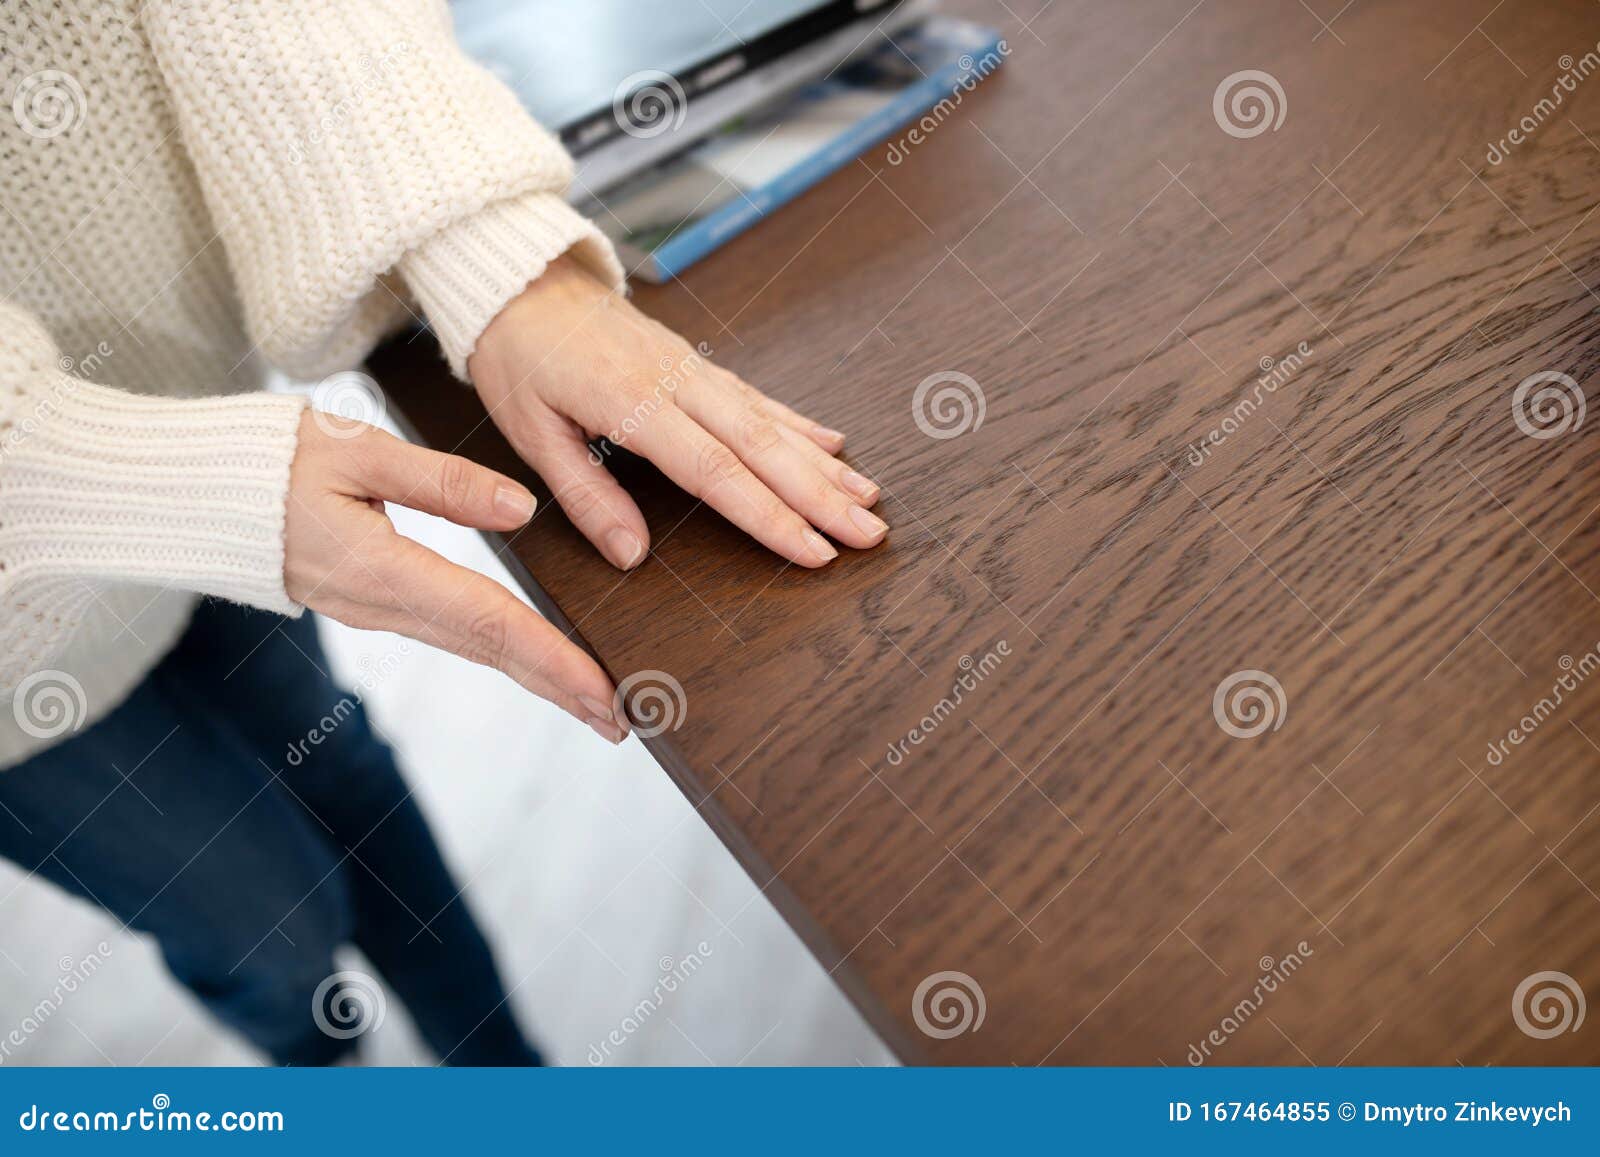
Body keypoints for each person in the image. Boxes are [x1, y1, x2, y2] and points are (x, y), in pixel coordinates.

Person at [0, 1, 887, 1065]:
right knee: (265, 915)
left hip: (202, 414)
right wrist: (119, 477)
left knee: (345, 768)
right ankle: (310, 1062)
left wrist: (499, 259)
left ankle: (504, 1078)